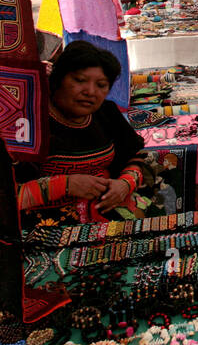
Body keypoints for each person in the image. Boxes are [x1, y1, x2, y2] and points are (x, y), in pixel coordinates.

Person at [15, 40, 152, 223]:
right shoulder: (28, 121)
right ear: (58, 80)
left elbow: (134, 155)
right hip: (45, 226)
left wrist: (125, 183)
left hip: (106, 212)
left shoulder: (106, 113)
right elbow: (3, 194)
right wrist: (66, 185)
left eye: (101, 85)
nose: (90, 92)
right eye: (79, 81)